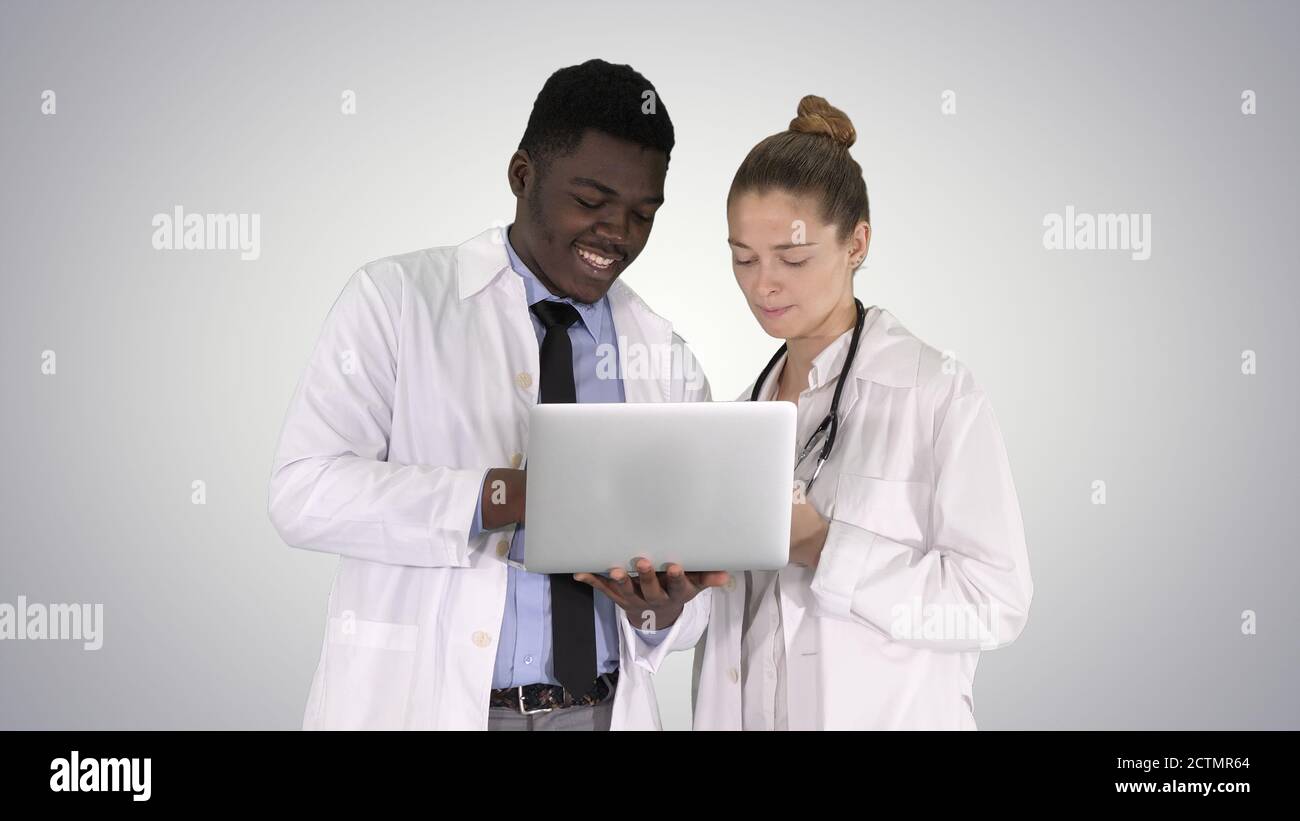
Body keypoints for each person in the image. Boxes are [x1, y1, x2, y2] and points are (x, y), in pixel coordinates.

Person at [268, 59, 723, 731]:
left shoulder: (666, 356)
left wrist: (657, 607)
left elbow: (682, 621)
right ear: (522, 176)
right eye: (592, 202)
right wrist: (502, 496)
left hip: (598, 710)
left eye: (641, 214)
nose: (617, 235)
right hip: (432, 707)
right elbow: (302, 495)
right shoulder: (397, 301)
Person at [691, 95, 1034, 730]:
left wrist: (821, 544)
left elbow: (993, 604)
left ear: (857, 243)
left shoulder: (936, 392)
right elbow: (716, 623)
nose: (762, 284)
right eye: (743, 257)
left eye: (792, 259)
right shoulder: (737, 418)